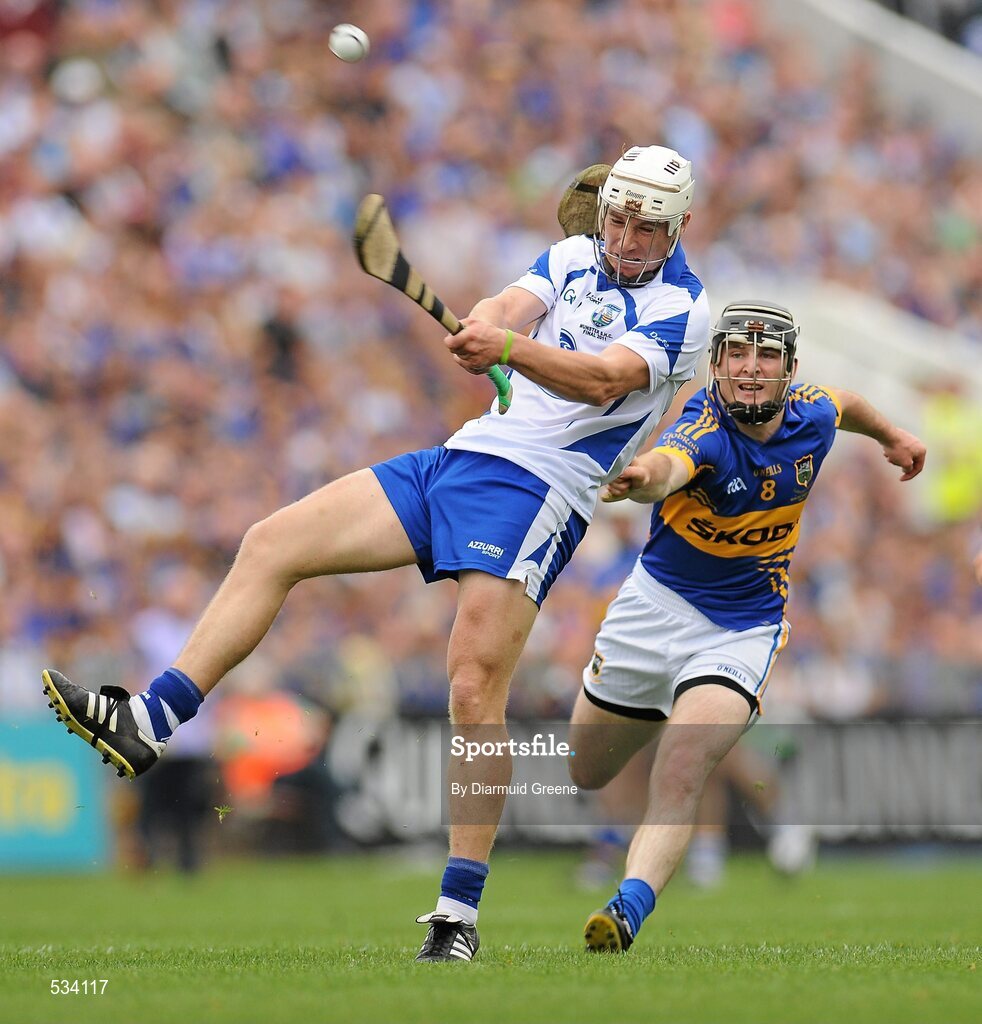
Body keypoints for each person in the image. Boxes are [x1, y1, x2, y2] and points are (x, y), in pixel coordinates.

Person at [41, 144, 711, 962]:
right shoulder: (573, 254)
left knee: (472, 689)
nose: (626, 236)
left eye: (646, 225)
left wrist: (508, 352)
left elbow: (603, 378)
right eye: (618, 216)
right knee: (272, 542)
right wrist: (492, 324)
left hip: (540, 491)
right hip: (461, 458)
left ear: (678, 229)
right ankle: (152, 720)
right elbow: (508, 301)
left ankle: (456, 916)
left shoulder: (686, 308)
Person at [568, 299, 926, 952]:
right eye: (737, 353)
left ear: (789, 369)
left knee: (683, 762)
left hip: (742, 627)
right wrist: (641, 476)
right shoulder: (703, 426)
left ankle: (625, 912)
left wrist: (893, 437)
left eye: (766, 356)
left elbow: (849, 404)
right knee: (587, 770)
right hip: (653, 611)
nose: (751, 369)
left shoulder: (812, 411)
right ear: (718, 363)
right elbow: (667, 465)